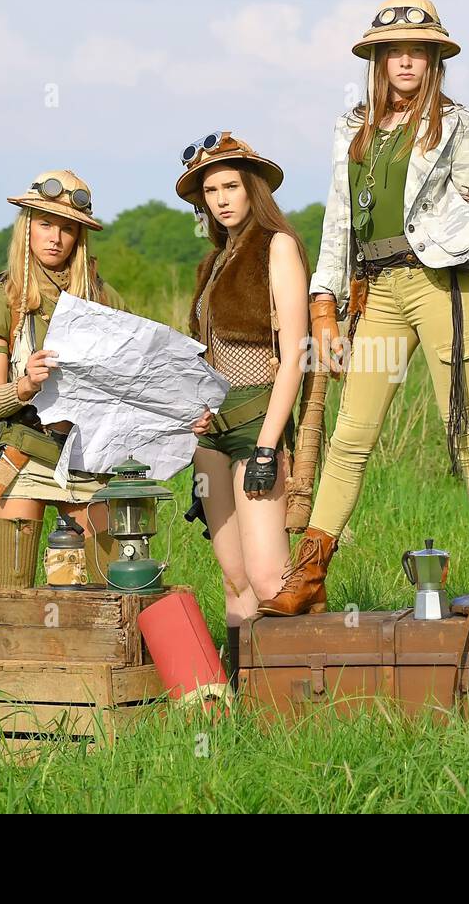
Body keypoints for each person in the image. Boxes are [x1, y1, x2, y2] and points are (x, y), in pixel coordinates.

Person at [259, 0, 469, 617]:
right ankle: (307, 574)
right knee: (353, 434)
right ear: (378, 60)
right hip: (377, 290)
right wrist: (324, 299)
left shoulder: (458, 124)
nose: (406, 62)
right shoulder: (351, 129)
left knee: (468, 426)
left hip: (444, 285)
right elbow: (338, 219)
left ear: (433, 60)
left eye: (418, 51)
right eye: (395, 52)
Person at [0, 169, 212, 588]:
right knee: (11, 594)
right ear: (27, 227)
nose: (55, 237)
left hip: (91, 459)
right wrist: (26, 384)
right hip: (21, 454)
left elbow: (137, 385)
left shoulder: (103, 299)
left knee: (102, 589)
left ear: (80, 237)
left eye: (67, 228)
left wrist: (182, 416)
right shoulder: (2, 298)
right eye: (45, 224)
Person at [175, 134, 310, 681]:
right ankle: (242, 692)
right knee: (233, 577)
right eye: (210, 190)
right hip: (210, 430)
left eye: (231, 186)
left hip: (259, 420)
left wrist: (268, 445)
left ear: (252, 188)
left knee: (269, 574)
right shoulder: (210, 263)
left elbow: (296, 354)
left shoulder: (277, 245)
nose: (222, 198)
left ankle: (292, 689)